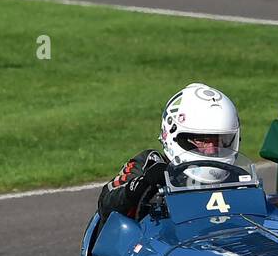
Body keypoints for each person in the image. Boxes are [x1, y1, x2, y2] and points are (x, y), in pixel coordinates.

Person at [97, 82, 241, 221]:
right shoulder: (149, 163)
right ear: (173, 133)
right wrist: (143, 184)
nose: (211, 149)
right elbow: (106, 205)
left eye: (219, 140)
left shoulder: (235, 177)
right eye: (202, 140)